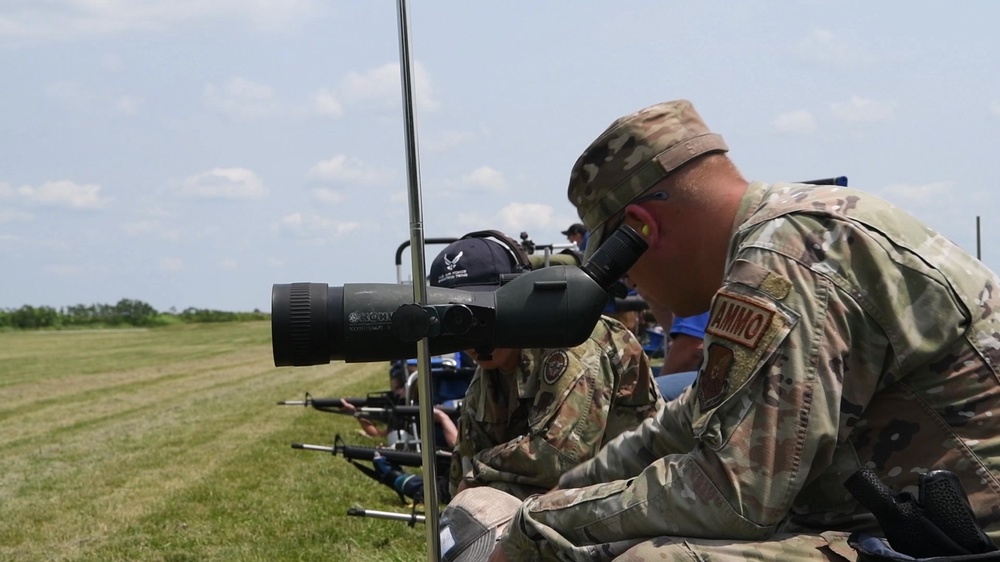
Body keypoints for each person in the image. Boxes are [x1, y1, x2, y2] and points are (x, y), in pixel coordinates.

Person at [486, 99, 1000, 560]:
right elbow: (688, 419)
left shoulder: (783, 256)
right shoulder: (783, 237)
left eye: (621, 267)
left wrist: (534, 525)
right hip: (912, 527)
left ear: (642, 229)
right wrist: (564, 492)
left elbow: (730, 494)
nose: (631, 283)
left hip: (963, 538)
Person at [429, 232, 664, 501]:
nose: (474, 332)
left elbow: (559, 458)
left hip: (642, 497)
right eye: (458, 319)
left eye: (485, 312)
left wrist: (478, 472)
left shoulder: (574, 338)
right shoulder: (487, 378)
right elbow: (460, 477)